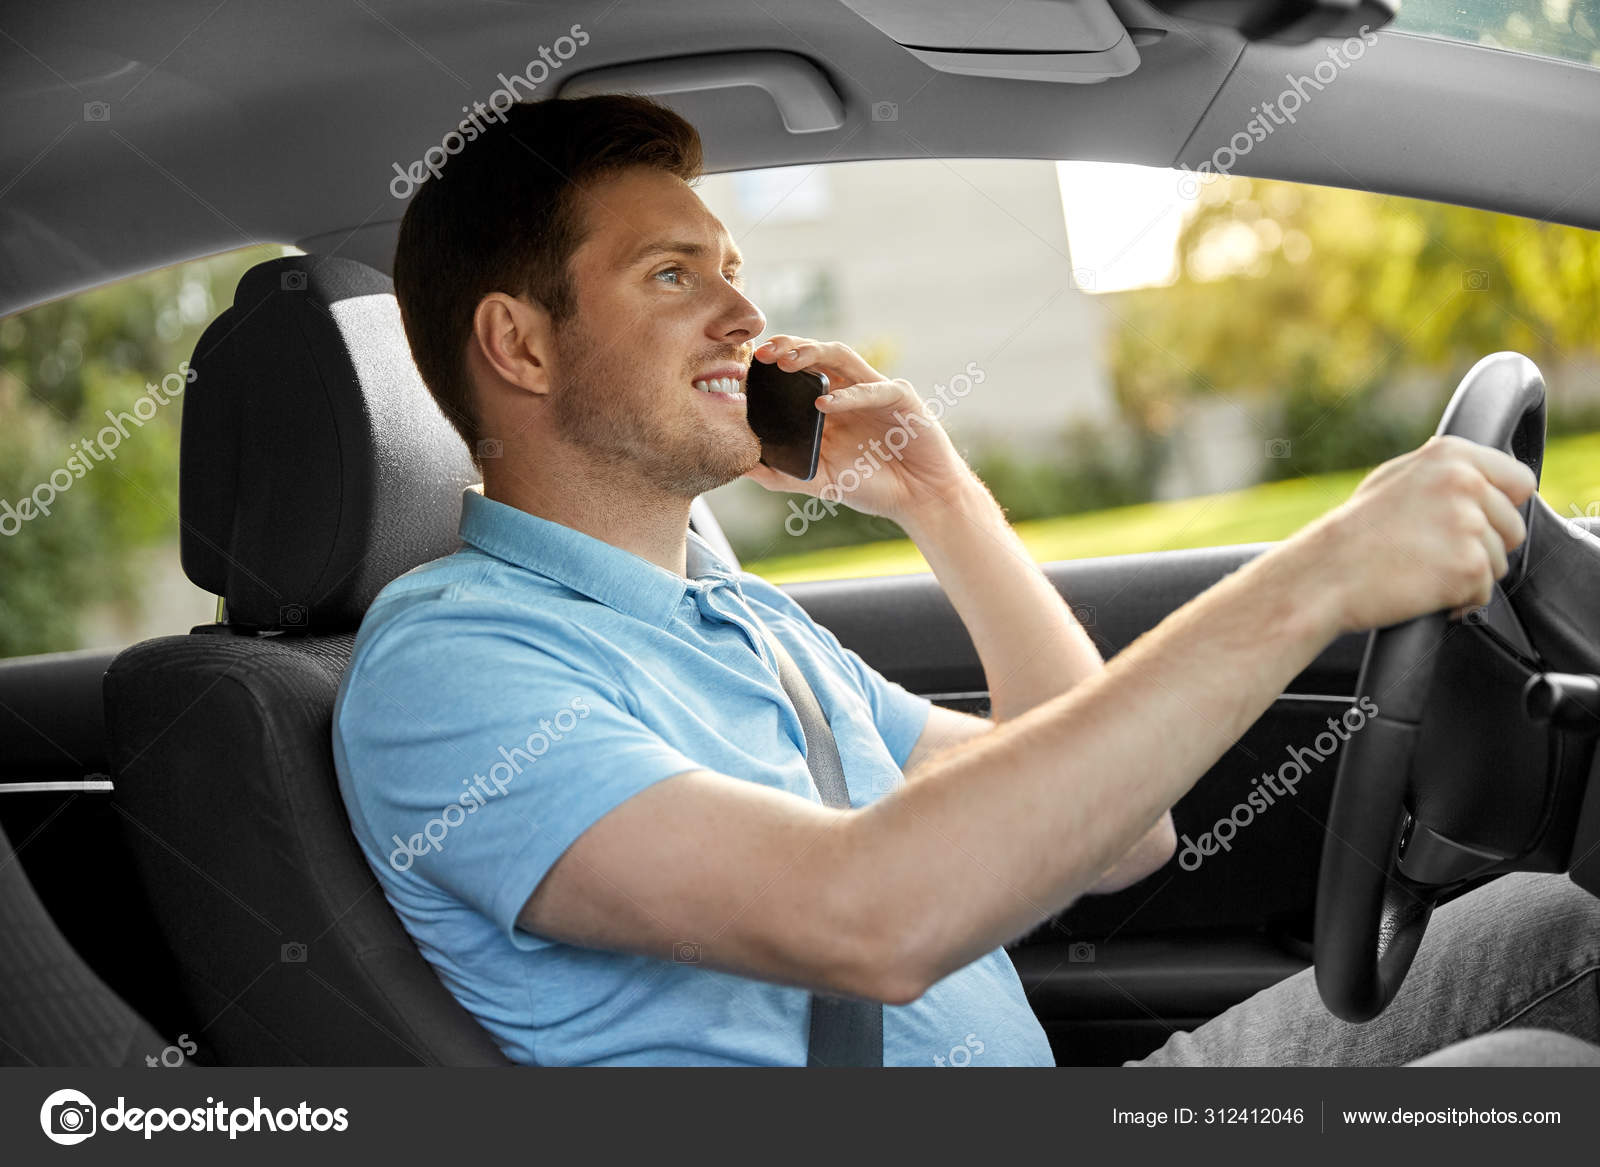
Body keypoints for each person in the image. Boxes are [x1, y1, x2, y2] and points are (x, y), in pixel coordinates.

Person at [331, 93, 1600, 1067]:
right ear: (518, 343)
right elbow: (864, 919)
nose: (743, 315)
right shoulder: (451, 670)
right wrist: (1313, 578)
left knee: (1551, 926)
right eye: (673, 275)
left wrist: (943, 498)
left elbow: (1117, 835)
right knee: (1543, 1077)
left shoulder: (746, 621)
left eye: (731, 268)